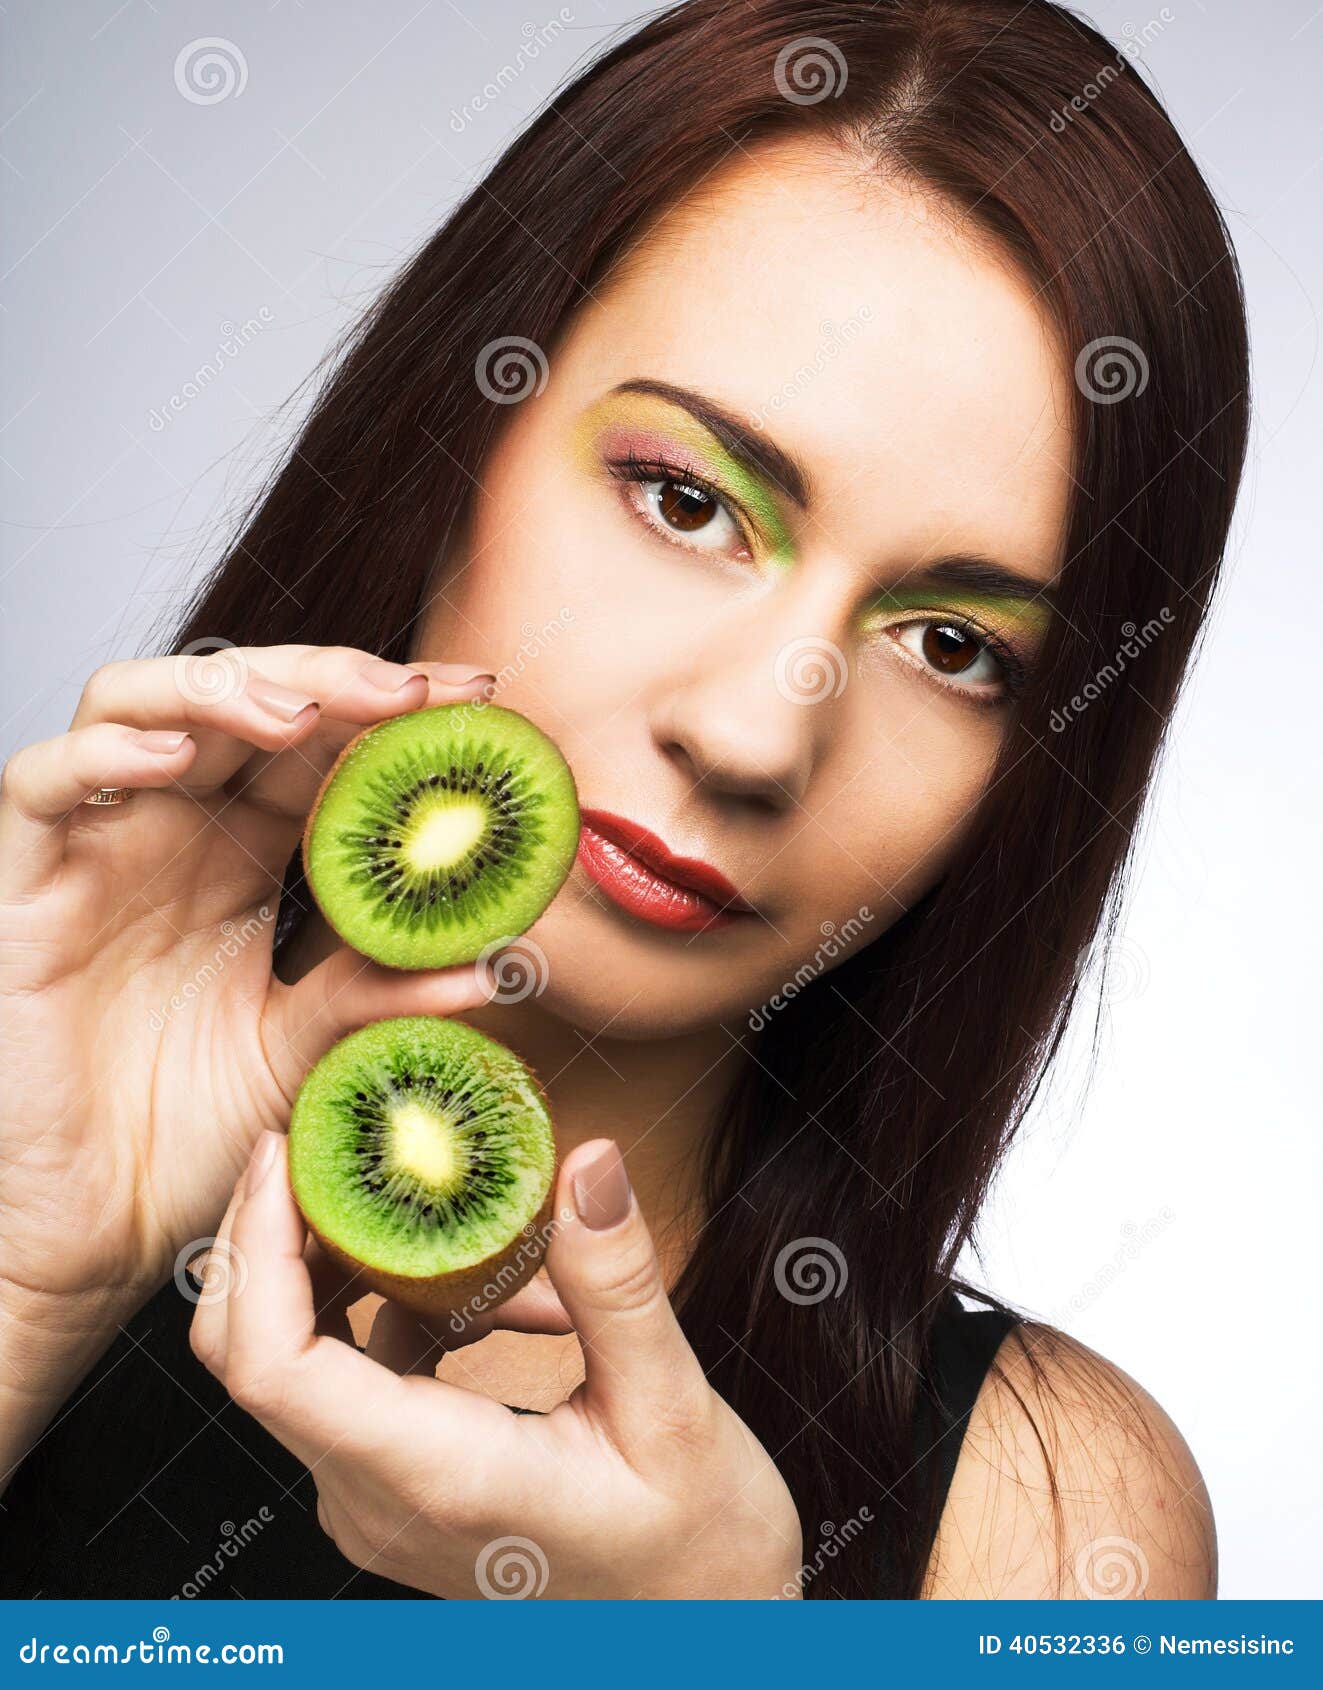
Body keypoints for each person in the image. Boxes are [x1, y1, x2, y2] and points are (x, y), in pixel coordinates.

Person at [0, 0, 1247, 1598]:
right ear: (456, 435)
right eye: (686, 500)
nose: (752, 732)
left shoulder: (1047, 1514)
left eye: (951, 643)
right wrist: (35, 1267)